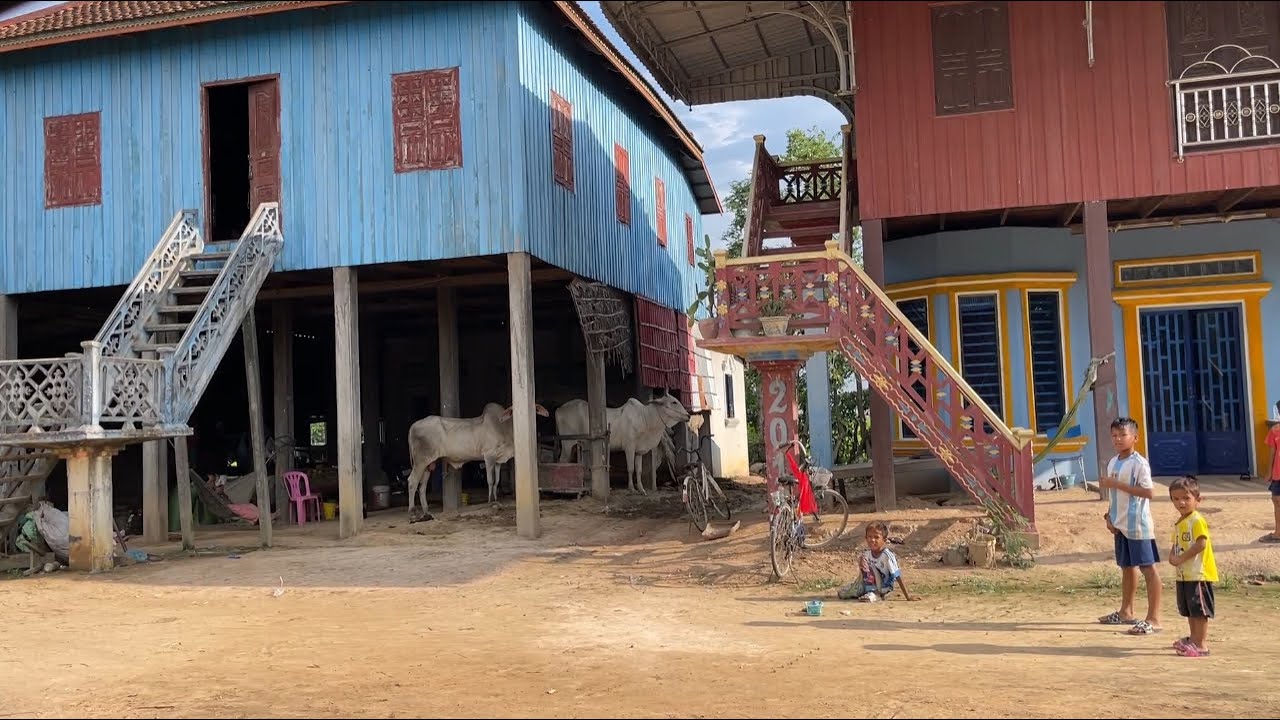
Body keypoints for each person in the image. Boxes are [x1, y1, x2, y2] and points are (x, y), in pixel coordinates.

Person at [1096, 417, 1163, 635]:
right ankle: (1126, 611)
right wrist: (1109, 516)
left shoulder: (1139, 463)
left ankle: (1153, 618)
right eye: (1114, 435)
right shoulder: (1113, 461)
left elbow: (1149, 492)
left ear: (1134, 437)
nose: (1117, 439)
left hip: (1138, 525)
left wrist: (1117, 484)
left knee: (1148, 568)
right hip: (1120, 524)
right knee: (1127, 567)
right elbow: (1114, 497)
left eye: (1122, 435)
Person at [1167, 475, 1216, 657]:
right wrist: (1172, 556)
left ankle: (1201, 644)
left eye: (1186, 498)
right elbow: (1175, 544)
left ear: (1197, 500)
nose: (1181, 503)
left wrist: (1181, 559)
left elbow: (1201, 543)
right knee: (1188, 608)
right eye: (1176, 499)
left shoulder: (1197, 520)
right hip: (1185, 575)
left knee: (1199, 610)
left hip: (1198, 574)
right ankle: (1193, 638)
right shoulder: (1181, 522)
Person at [838, 521, 916, 602]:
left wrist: (908, 596)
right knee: (842, 594)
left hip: (882, 587)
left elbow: (897, 575)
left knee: (870, 566)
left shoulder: (887, 556)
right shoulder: (867, 553)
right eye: (869, 537)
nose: (872, 540)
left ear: (884, 540)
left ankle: (875, 594)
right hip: (868, 583)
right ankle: (860, 588)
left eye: (876, 537)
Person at [1261, 419, 1280, 544]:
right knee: (1277, 500)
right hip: (1278, 473)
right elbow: (1272, 453)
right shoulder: (1275, 430)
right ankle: (1278, 533)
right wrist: (1269, 472)